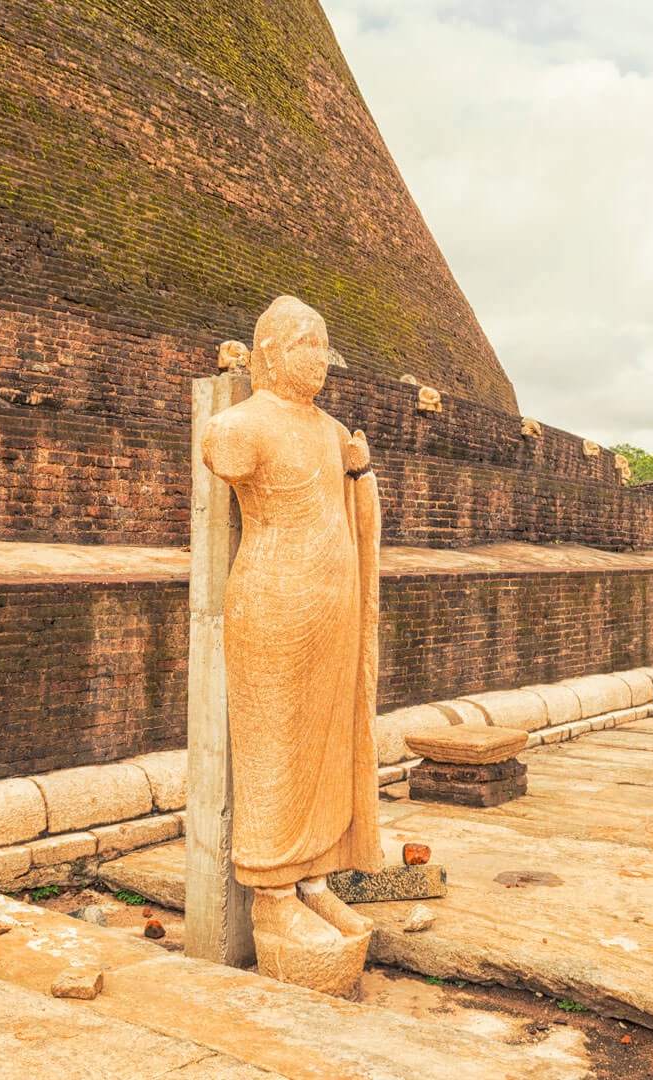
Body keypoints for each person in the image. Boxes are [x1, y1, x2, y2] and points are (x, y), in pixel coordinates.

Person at [200, 296, 383, 990]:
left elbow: (353, 507)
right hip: (274, 606)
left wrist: (361, 473)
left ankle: (312, 876)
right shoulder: (240, 428)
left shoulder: (335, 432)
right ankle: (273, 893)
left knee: (325, 742)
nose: (320, 358)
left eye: (325, 345)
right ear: (271, 351)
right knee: (275, 742)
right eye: (306, 343)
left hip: (333, 610)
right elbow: (223, 453)